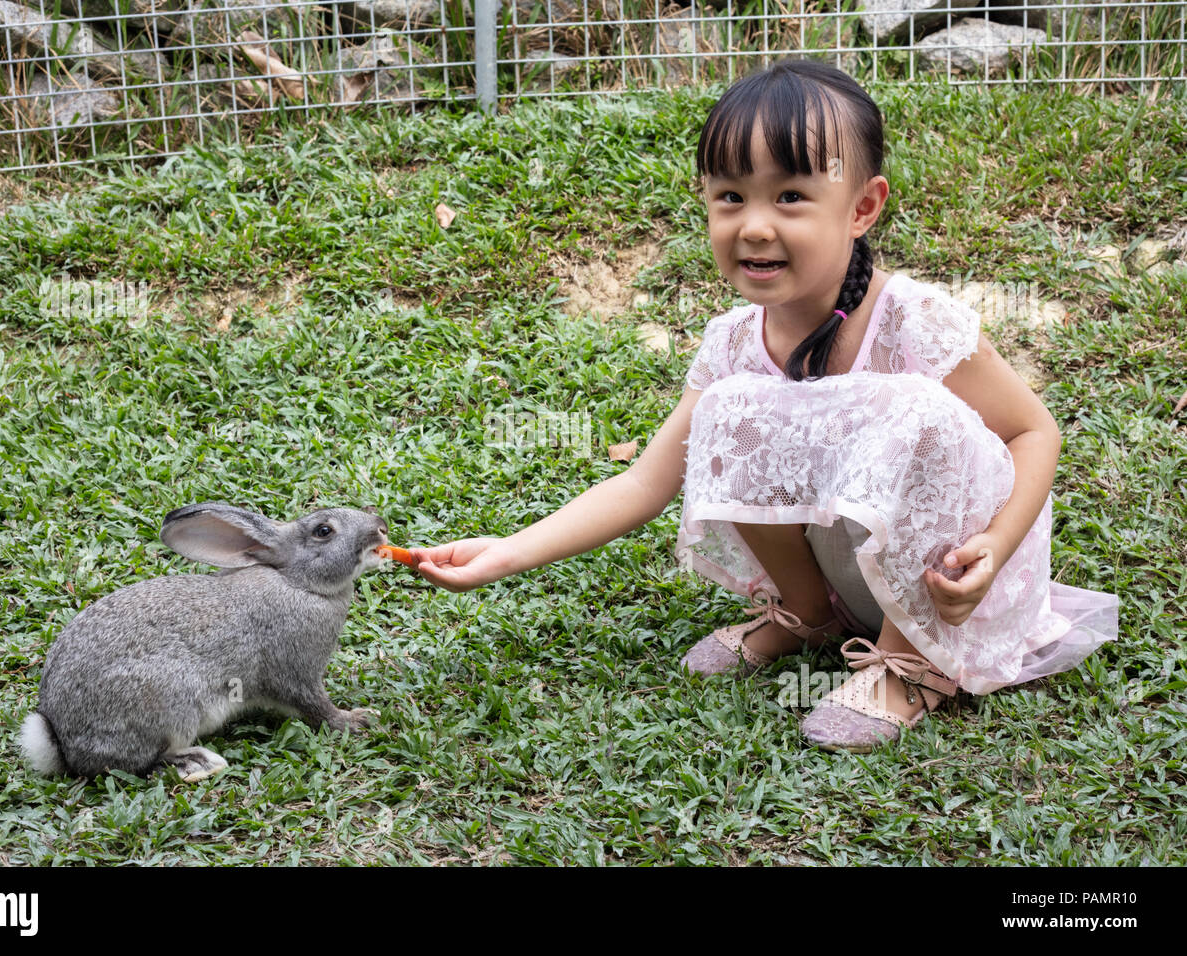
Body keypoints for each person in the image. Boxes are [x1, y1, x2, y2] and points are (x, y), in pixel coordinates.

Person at [405, 58, 1119, 753]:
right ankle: (812, 616)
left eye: (790, 197)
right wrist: (505, 553)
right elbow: (645, 482)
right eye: (730, 197)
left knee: (918, 410)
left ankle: (911, 665)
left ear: (863, 207)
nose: (753, 225)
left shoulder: (914, 321)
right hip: (856, 576)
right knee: (734, 410)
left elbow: (1034, 432)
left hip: (956, 583)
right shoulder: (731, 345)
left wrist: (994, 548)